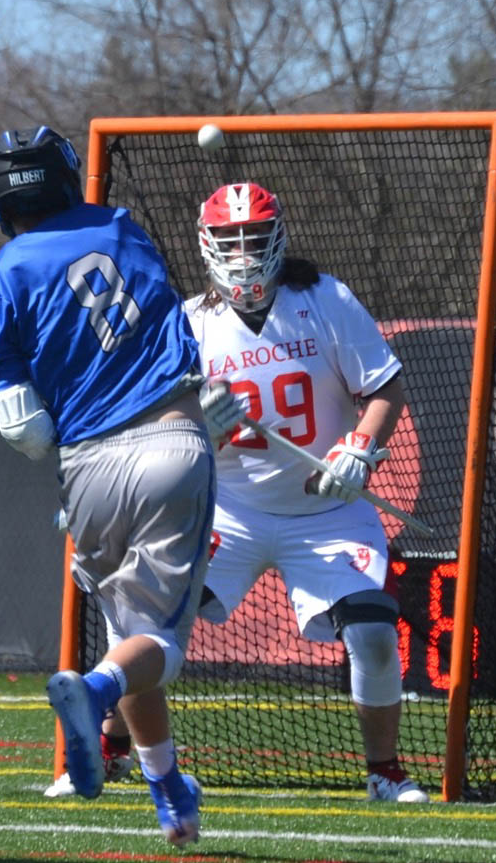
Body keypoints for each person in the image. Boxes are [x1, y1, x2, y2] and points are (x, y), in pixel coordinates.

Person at [0, 126, 216, 846]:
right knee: (155, 646)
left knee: (124, 634)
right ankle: (97, 693)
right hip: (169, 437)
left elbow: (23, 430)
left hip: (86, 468)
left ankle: (167, 789)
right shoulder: (120, 227)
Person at [180, 180, 429, 802]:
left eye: (254, 237)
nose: (243, 252)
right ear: (209, 245)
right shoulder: (189, 324)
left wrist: (360, 449)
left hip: (327, 510)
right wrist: (199, 431)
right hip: (232, 509)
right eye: (230, 239)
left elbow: (384, 388)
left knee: (372, 634)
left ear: (277, 237)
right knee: (155, 612)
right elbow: (171, 435)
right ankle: (114, 744)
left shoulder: (324, 298)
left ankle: (384, 771)